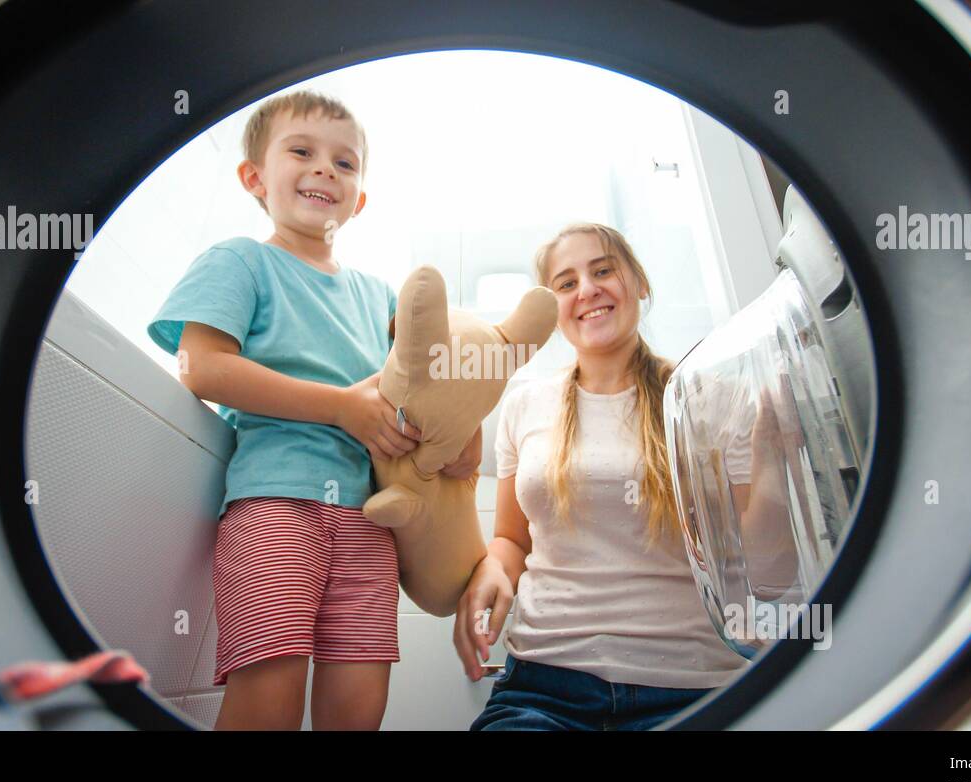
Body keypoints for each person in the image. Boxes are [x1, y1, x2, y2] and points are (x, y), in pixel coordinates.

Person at [147, 90, 482, 730]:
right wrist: (341, 409)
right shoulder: (240, 261)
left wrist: (455, 433)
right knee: (267, 701)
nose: (326, 169)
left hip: (371, 524)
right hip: (275, 506)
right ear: (254, 178)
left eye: (345, 163)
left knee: (358, 711)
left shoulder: (380, 296)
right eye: (302, 151)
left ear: (358, 200)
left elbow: (422, 398)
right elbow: (199, 366)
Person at [456, 222, 750, 731]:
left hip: (693, 684)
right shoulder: (526, 404)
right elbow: (511, 539)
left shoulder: (706, 396)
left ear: (639, 283)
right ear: (552, 309)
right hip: (546, 684)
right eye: (566, 283)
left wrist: (770, 446)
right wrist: (490, 570)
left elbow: (749, 549)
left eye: (603, 270)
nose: (587, 290)